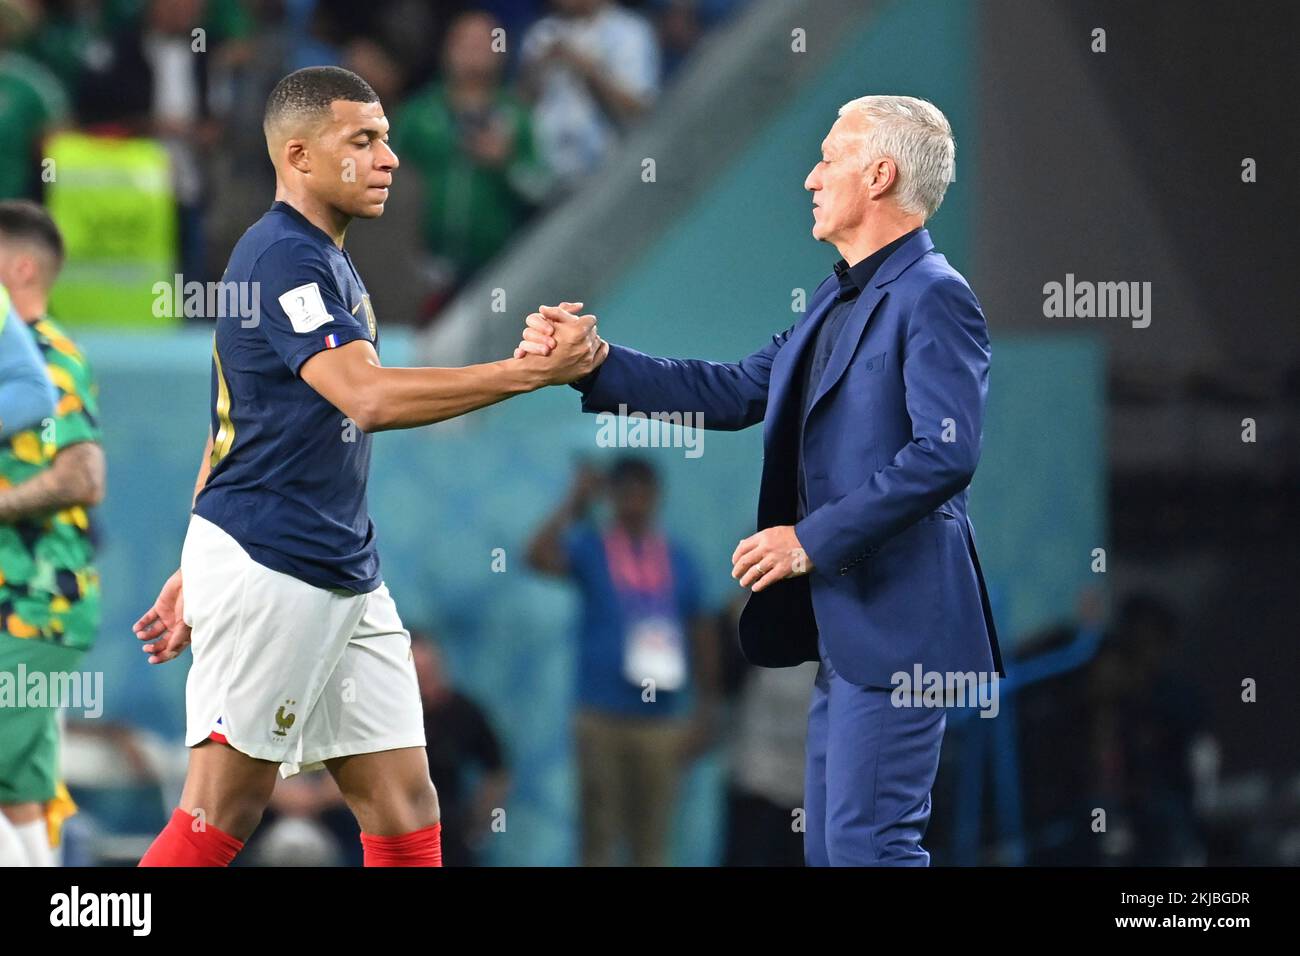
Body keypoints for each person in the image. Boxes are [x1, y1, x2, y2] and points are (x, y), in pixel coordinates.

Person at [132, 65, 605, 868]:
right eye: (364, 140)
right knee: (220, 814)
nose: (388, 157)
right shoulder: (283, 257)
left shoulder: (328, 260)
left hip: (340, 567)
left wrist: (189, 565)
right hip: (272, 561)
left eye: (386, 138)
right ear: (299, 156)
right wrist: (530, 373)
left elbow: (230, 425)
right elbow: (368, 398)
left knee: (404, 804)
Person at [514, 95, 1004, 865]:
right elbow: (735, 390)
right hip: (848, 630)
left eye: (830, 157)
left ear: (880, 175)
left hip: (902, 628)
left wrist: (810, 539)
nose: (810, 177)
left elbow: (945, 453)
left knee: (867, 847)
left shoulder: (935, 294)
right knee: (840, 850)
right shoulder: (836, 298)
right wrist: (598, 362)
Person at [526, 458, 719, 866]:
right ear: (612, 497)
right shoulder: (594, 549)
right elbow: (536, 555)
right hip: (600, 715)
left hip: (663, 721)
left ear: (656, 496)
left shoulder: (679, 559)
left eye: (641, 491)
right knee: (598, 835)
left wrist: (705, 712)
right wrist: (574, 500)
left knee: (653, 840)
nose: (633, 502)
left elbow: (703, 637)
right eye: (624, 492)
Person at [0, 201, 105, 866]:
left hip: (31, 603)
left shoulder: (46, 355)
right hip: (32, 608)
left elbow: (84, 474)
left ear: (22, 268)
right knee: (22, 793)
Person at [395, 10, 547, 321]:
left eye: (485, 43)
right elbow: (386, 181)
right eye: (464, 42)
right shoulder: (418, 112)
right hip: (421, 265)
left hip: (496, 269)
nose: (473, 51)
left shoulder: (516, 117)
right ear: (446, 50)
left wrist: (506, 163)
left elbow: (541, 190)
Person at [519, 0, 660, 189]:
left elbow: (639, 110)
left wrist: (589, 71)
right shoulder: (541, 33)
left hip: (614, 170)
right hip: (554, 180)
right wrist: (539, 67)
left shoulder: (630, 31)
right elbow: (520, 104)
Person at [410, 633, 510, 867]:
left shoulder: (464, 713)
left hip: (449, 832)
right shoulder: (390, 716)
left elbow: (498, 769)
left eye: (428, 672)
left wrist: (480, 823)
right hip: (398, 826)